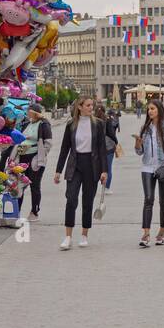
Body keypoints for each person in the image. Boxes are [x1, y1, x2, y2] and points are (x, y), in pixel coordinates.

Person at [53, 97, 111, 250]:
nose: (91, 108)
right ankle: (68, 237)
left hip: (92, 166)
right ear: (79, 107)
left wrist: (105, 170)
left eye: (92, 105)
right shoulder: (71, 124)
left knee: (87, 201)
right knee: (71, 199)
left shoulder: (98, 124)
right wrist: (58, 170)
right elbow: (65, 148)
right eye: (88, 105)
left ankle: (84, 235)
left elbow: (102, 149)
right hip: (75, 164)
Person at [135, 98, 164, 248]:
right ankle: (146, 233)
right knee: (148, 199)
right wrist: (138, 143)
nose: (150, 111)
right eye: (149, 109)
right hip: (147, 167)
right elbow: (139, 152)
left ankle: (161, 232)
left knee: (163, 201)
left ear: (159, 110)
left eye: (153, 109)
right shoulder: (145, 128)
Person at [17, 103, 53, 219]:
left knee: (34, 185)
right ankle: (16, 211)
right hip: (22, 157)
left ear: (35, 112)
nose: (27, 113)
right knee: (20, 185)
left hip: (35, 158)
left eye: (29, 111)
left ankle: (34, 211)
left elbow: (48, 143)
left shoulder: (43, 124)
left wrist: (40, 156)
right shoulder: (27, 124)